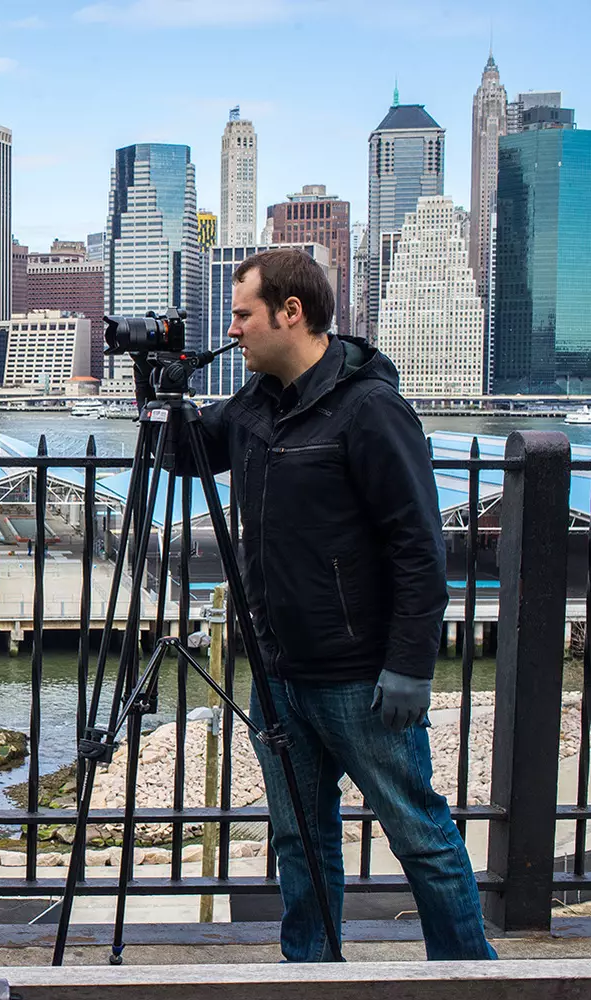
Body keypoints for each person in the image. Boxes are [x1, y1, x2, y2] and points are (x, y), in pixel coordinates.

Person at [162, 248, 495, 962]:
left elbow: (417, 546)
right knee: (298, 839)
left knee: (418, 833)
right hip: (279, 672)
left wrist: (407, 665)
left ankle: (468, 975)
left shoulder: (370, 408)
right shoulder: (255, 406)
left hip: (357, 673)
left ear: (291, 312)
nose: (235, 328)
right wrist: (156, 396)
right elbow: (183, 454)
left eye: (243, 313)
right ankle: (309, 969)